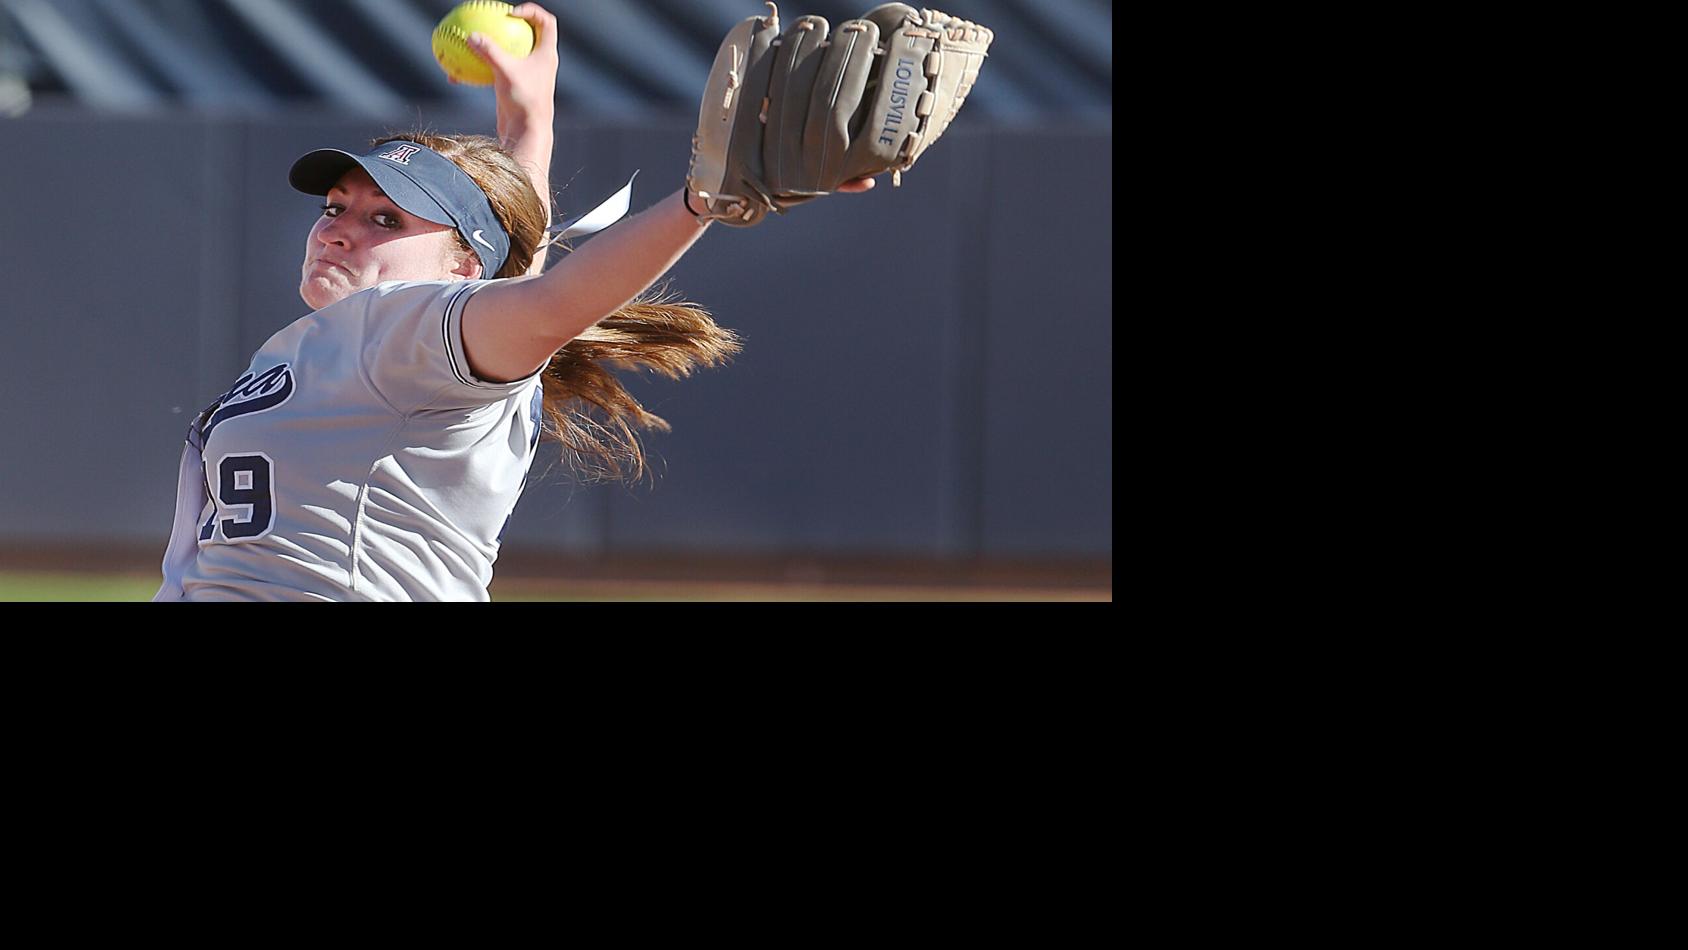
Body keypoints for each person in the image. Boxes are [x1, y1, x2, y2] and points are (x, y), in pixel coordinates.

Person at [152, 3, 875, 601]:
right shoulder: (392, 346)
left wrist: (702, 201)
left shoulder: (397, 330)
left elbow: (551, 299)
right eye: (336, 206)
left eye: (386, 219)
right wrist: (529, 126)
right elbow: (514, 262)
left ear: (464, 268)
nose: (337, 229)